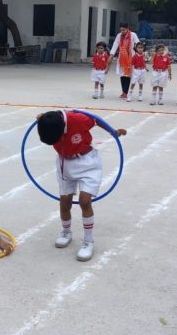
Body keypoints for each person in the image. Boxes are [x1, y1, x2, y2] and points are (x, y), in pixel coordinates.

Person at [35, 110, 127, 261]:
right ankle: (66, 232)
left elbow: (96, 120)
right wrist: (42, 118)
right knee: (64, 202)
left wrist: (113, 131)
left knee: (85, 201)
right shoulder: (48, 121)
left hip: (87, 162)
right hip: (64, 163)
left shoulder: (77, 119)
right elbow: (46, 120)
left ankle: (88, 241)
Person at [109, 22, 140, 99]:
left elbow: (138, 45)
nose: (122, 31)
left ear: (127, 28)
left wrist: (139, 55)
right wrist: (111, 55)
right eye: (121, 30)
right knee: (122, 74)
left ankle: (126, 92)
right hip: (122, 58)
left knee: (128, 75)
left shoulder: (133, 35)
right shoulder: (119, 36)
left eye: (124, 30)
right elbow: (115, 44)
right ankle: (124, 92)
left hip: (130, 58)